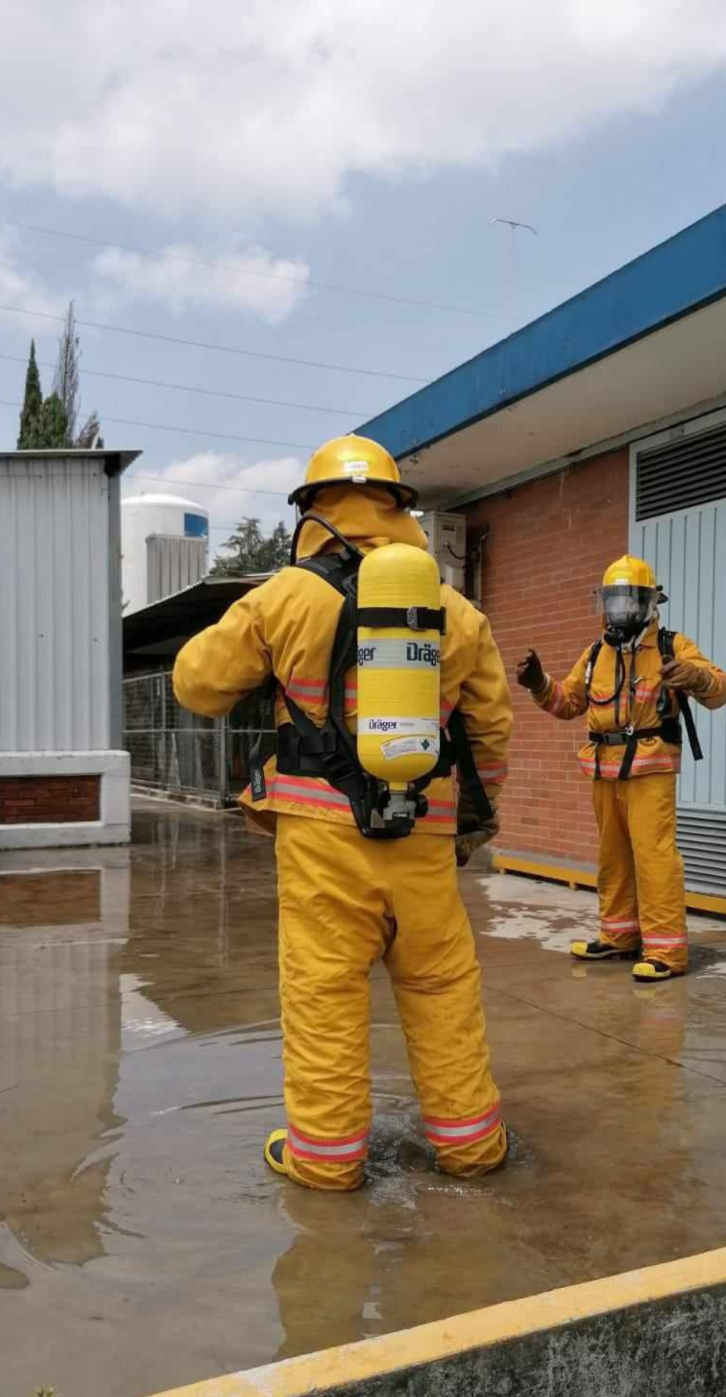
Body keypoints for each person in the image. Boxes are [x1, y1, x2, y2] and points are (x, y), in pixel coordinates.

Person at [173, 434, 512, 1191]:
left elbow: (196, 685)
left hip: (322, 843)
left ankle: (326, 1161)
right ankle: (472, 1148)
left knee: (325, 994)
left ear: (312, 508)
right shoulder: (456, 613)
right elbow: (490, 736)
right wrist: (473, 826)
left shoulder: (286, 597)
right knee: (442, 989)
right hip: (425, 843)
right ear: (399, 507)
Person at [516, 555, 726, 983]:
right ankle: (618, 937)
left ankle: (666, 952)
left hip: (650, 771)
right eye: (613, 604)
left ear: (650, 604)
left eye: (628, 603)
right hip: (605, 770)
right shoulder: (597, 653)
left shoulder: (672, 646)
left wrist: (691, 676)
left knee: (654, 858)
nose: (620, 613)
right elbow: (569, 703)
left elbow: (719, 689)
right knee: (612, 858)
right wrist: (539, 683)